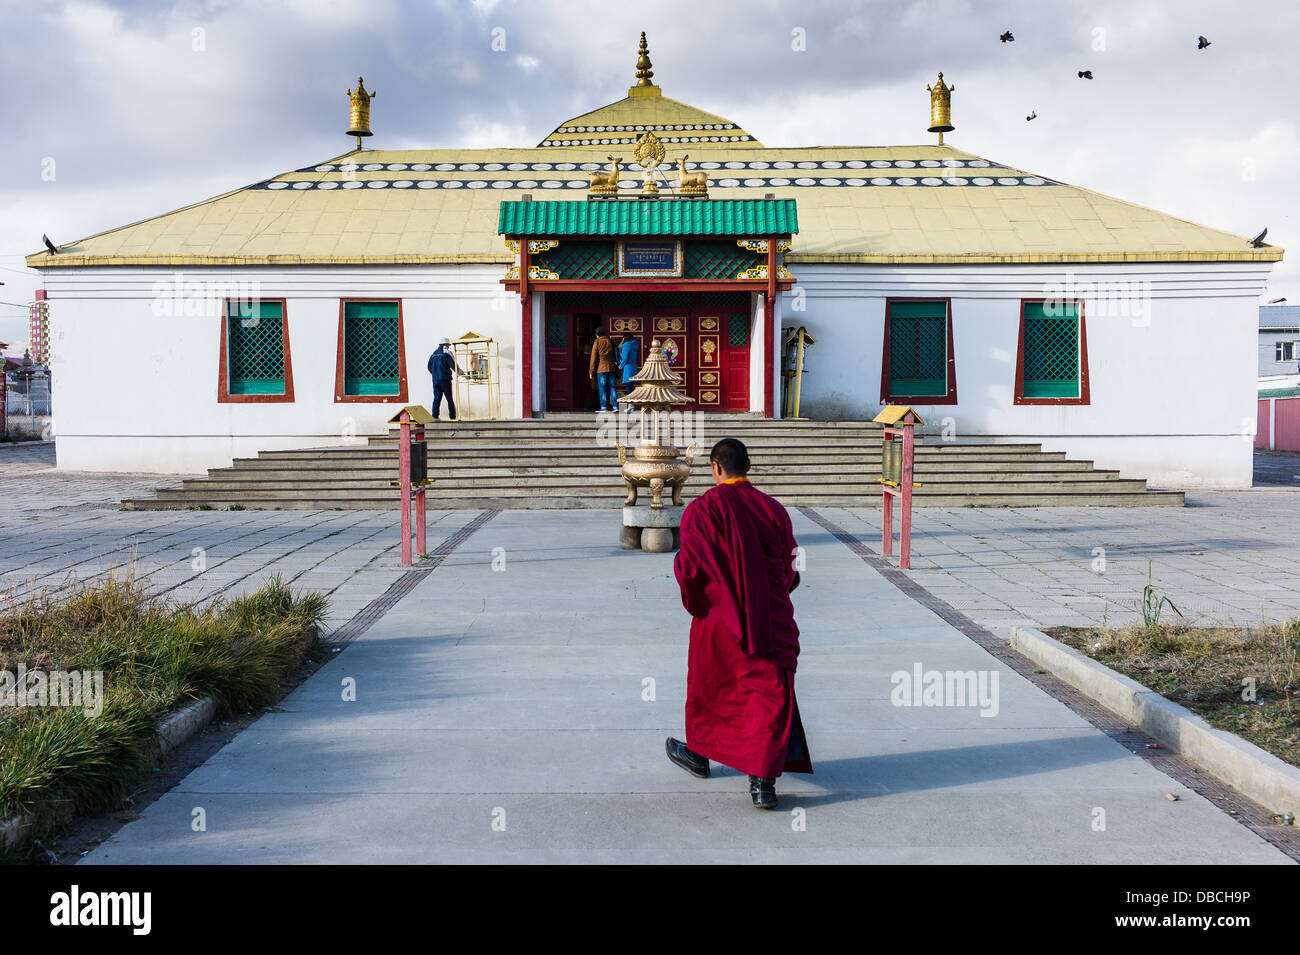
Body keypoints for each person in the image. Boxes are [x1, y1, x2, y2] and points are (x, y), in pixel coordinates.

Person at [667, 438, 812, 809]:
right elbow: (792, 566)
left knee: (713, 687)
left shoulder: (702, 510)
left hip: (720, 622)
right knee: (766, 693)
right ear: (748, 466)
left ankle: (700, 756)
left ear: (716, 468)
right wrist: (771, 596)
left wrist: (704, 603)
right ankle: (762, 784)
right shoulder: (775, 509)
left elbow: (690, 570)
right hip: (769, 619)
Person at [426, 338, 464, 420]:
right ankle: (452, 417)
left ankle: (435, 416)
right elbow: (454, 366)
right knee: (449, 399)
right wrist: (462, 374)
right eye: (448, 345)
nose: (449, 347)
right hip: (445, 379)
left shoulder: (434, 354)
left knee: (436, 398)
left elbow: (429, 367)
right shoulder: (447, 353)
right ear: (446, 345)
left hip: (435, 380)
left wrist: (435, 374)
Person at [588, 327, 617, 412]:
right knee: (612, 387)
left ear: (597, 335)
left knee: (602, 387)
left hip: (601, 368)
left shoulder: (597, 342)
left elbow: (593, 357)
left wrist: (591, 370)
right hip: (611, 367)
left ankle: (604, 407)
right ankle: (615, 406)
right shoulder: (610, 341)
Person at [616, 332, 640, 407]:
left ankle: (631, 405)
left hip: (627, 368)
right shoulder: (634, 344)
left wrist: (620, 366)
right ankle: (632, 404)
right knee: (631, 386)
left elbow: (625, 358)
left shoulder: (626, 345)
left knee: (629, 387)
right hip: (633, 367)